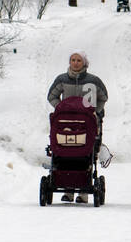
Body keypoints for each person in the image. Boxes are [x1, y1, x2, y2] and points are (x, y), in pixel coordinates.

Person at [47, 51, 109, 202]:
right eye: (73, 60)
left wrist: (96, 112)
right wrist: (60, 108)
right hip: (66, 123)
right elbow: (51, 96)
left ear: (84, 63)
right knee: (66, 152)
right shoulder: (62, 79)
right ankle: (68, 191)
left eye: (78, 60)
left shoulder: (93, 81)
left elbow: (103, 97)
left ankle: (83, 193)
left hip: (85, 123)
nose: (75, 63)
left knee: (85, 153)